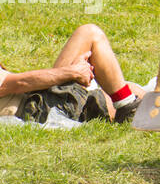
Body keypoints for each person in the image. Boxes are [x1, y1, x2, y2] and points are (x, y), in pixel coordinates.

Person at [0, 23, 143, 123]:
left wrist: (71, 71)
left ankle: (130, 105)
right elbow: (18, 83)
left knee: (133, 92)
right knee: (89, 33)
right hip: (35, 109)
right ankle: (128, 107)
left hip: (39, 102)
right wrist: (71, 72)